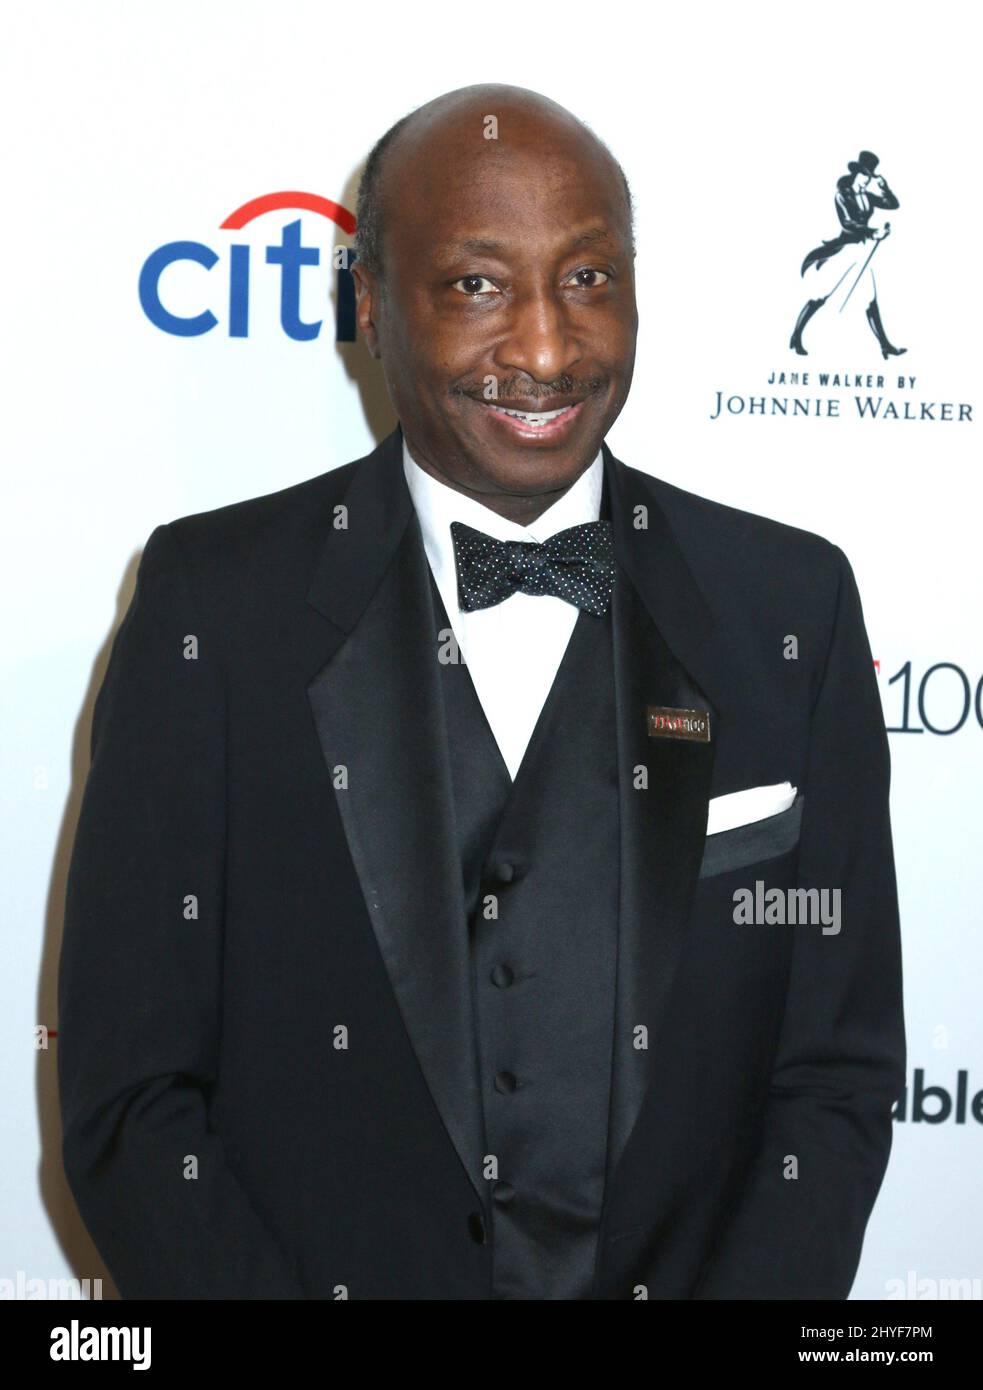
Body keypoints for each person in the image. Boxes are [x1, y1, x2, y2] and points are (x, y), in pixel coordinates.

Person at [58, 84, 906, 1300]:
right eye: (474, 285)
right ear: (367, 301)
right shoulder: (213, 608)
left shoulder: (789, 607)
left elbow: (830, 1074)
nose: (547, 349)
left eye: (586, 278)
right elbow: (130, 1096)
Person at [790, 150, 906, 358]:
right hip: (844, 251)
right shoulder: (842, 195)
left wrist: (883, 186)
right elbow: (848, 224)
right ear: (855, 174)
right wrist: (873, 232)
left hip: (862, 251)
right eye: (864, 175)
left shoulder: (868, 196)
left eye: (869, 176)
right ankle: (796, 336)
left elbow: (894, 204)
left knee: (870, 299)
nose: (866, 180)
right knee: (821, 295)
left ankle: (885, 345)